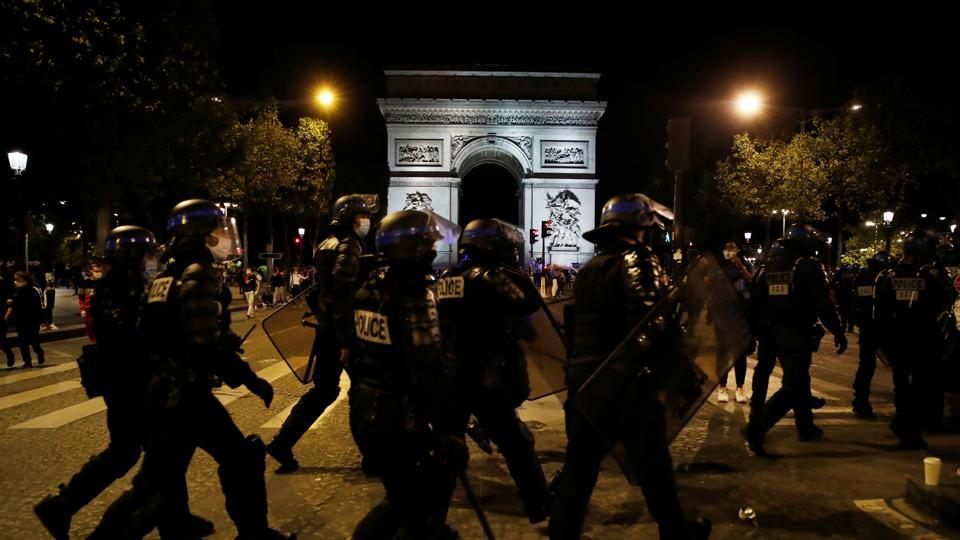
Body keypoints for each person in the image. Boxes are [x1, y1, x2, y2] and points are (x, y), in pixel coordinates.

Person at [90, 200, 290, 539]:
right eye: (217, 229)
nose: (223, 236)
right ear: (201, 235)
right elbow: (206, 343)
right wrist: (250, 379)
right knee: (241, 460)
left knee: (154, 483)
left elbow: (152, 335)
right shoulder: (197, 276)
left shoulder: (164, 279)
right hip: (186, 393)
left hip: (164, 391)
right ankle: (255, 534)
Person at [549, 194, 710, 540]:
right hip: (626, 383)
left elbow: (574, 324)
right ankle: (674, 529)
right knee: (653, 462)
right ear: (642, 228)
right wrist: (678, 374)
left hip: (585, 380)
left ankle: (562, 532)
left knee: (580, 467)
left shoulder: (590, 269)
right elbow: (653, 321)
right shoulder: (639, 259)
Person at [34, 226, 213, 540]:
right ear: (132, 256)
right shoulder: (118, 289)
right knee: (153, 450)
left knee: (140, 451)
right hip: (128, 384)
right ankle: (65, 507)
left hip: (128, 381)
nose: (150, 260)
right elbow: (130, 339)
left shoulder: (125, 284)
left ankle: (173, 518)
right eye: (146, 254)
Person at [349, 209, 464, 539]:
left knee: (400, 499)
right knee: (422, 506)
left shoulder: (369, 291)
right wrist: (448, 429)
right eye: (427, 243)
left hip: (367, 410)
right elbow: (428, 369)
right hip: (402, 418)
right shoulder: (416, 298)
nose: (432, 250)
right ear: (411, 248)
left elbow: (357, 358)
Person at [437, 218, 551, 523]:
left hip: (452, 375)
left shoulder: (449, 276)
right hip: (485, 375)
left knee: (449, 445)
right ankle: (539, 503)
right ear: (495, 247)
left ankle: (430, 517)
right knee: (516, 443)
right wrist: (512, 269)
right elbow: (528, 301)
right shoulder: (491, 276)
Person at [266, 194, 378, 473]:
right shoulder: (349, 244)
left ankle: (283, 442)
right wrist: (346, 340)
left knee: (324, 390)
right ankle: (373, 454)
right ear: (355, 219)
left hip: (327, 329)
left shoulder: (326, 244)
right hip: (345, 332)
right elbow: (342, 292)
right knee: (366, 392)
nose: (368, 222)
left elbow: (322, 290)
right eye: (364, 217)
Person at [741, 224, 847, 456]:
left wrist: (749, 334)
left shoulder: (766, 268)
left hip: (768, 334)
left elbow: (753, 304)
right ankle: (756, 428)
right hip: (795, 334)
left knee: (778, 378)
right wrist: (838, 331)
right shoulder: (808, 266)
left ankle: (805, 425)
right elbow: (823, 305)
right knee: (794, 385)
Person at [874, 230, 957, 448]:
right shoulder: (932, 274)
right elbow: (947, 299)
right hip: (924, 338)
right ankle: (906, 424)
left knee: (902, 384)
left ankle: (908, 430)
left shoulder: (889, 275)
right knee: (925, 385)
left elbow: (880, 311)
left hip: (897, 338)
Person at [850, 251, 892, 418]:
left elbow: (856, 300)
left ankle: (860, 401)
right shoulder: (886, 278)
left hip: (867, 325)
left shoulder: (861, 277)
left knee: (866, 365)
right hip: (884, 326)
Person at [717, 242, 754, 404]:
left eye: (733, 250)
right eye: (727, 250)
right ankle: (722, 387)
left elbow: (752, 283)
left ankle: (739, 388)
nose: (730, 253)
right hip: (724, 314)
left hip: (741, 314)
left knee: (740, 353)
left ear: (737, 251)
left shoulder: (745, 265)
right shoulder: (719, 268)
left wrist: (741, 267)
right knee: (723, 352)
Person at [5, 271, 45, 368]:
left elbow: (39, 306)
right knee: (22, 342)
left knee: (34, 341)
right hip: (20, 320)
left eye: (18, 280)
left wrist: (41, 321)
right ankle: (27, 362)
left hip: (32, 320)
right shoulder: (16, 291)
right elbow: (14, 303)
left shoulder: (33, 290)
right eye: (15, 280)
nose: (16, 282)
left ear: (25, 280)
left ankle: (39, 352)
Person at [1, 271, 16, 367]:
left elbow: (11, 301)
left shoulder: (3, 284)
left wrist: (6, 317)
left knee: (1, 340)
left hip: (2, 316)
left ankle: (9, 354)